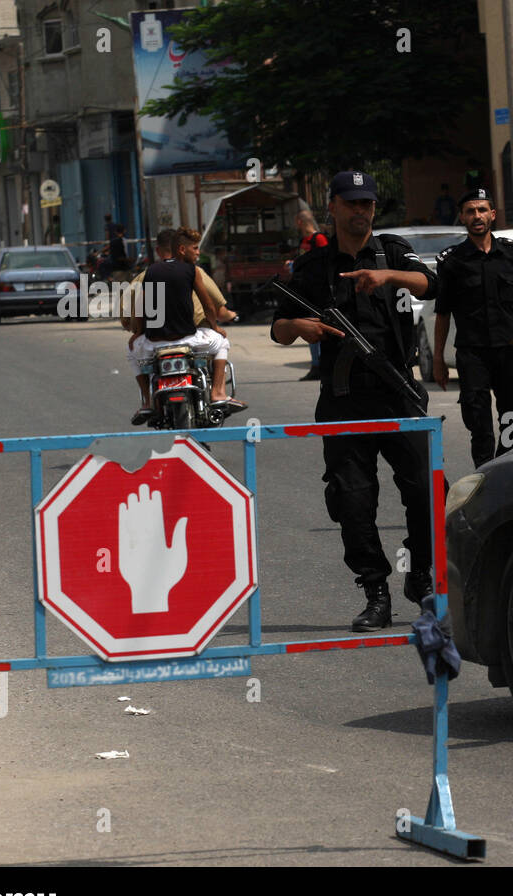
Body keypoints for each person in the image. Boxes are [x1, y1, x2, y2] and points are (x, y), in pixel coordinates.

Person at [271, 170, 440, 631]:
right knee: (353, 500)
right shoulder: (312, 268)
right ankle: (376, 590)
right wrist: (299, 328)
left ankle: (421, 575)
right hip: (343, 398)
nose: (361, 211)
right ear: (334, 207)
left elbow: (430, 284)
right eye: (352, 203)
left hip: (398, 391)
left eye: (367, 203)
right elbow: (279, 328)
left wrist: (387, 276)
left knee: (429, 489)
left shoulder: (391, 251)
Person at [433, 187, 513, 468]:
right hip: (472, 354)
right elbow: (443, 314)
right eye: (470, 211)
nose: (477, 216)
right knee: (478, 423)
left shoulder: (511, 253)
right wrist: (438, 359)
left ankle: (504, 469)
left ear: (492, 215)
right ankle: (484, 476)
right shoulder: (452, 261)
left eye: (482, 210)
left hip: (509, 349)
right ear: (462, 217)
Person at [125, 228, 246, 425]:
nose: (198, 253)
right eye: (195, 248)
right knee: (222, 342)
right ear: (182, 249)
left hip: (154, 343)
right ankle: (218, 392)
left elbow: (141, 306)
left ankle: (147, 402)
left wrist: (138, 333)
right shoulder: (192, 271)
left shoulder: (151, 271)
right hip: (189, 339)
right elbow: (208, 305)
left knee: (131, 351)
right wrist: (215, 327)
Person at [296, 208, 329, 381]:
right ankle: (315, 364)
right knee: (309, 326)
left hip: (318, 290)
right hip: (306, 289)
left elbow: (326, 263)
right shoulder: (304, 241)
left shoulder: (319, 239)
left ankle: (321, 364)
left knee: (318, 326)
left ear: (300, 222)